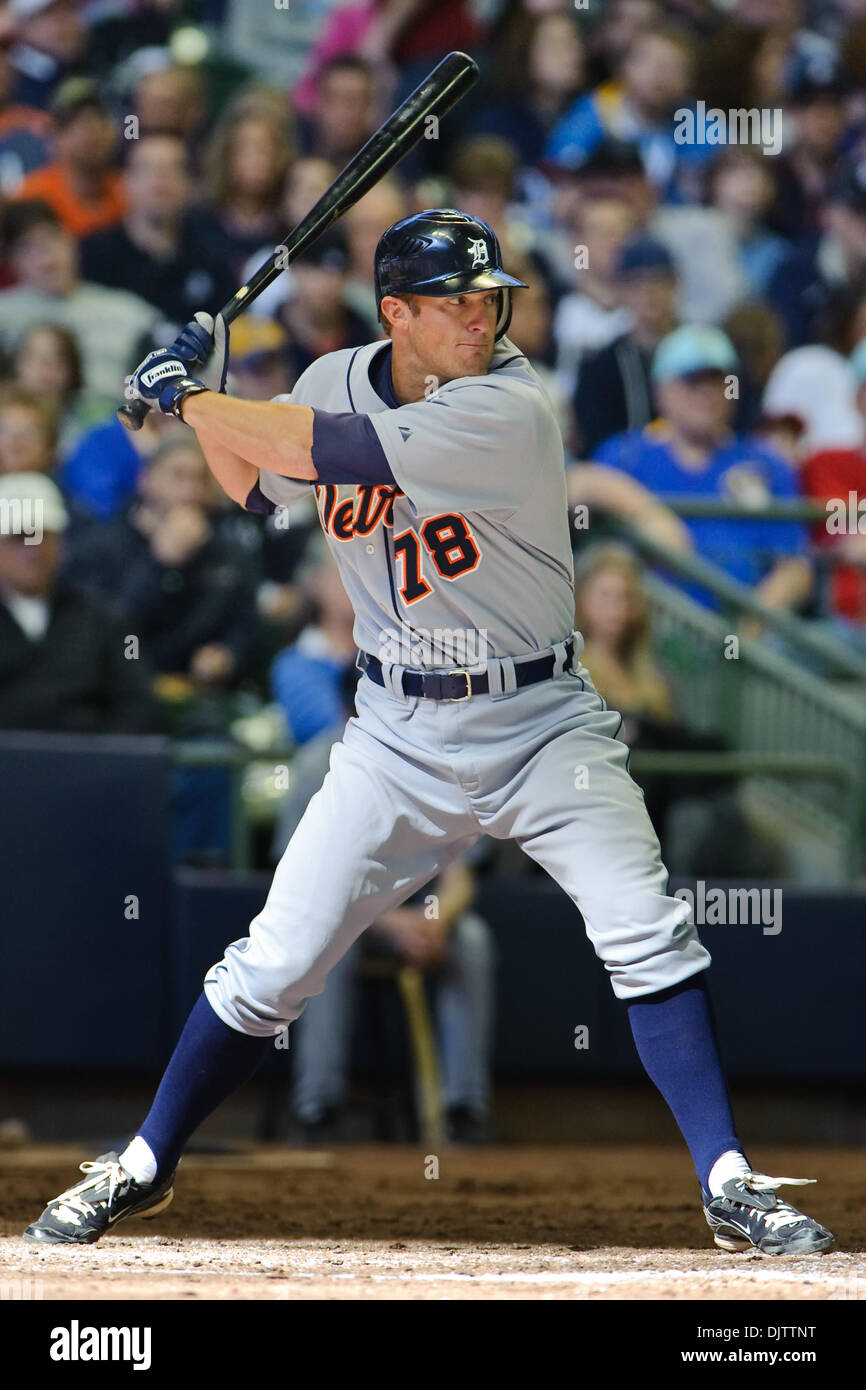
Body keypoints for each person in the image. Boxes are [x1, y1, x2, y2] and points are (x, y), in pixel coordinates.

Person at [25, 208, 833, 1257]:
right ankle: (141, 1162)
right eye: (457, 299)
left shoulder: (507, 405)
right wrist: (204, 399)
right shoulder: (326, 377)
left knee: (643, 927)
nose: (482, 313)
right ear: (395, 311)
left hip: (541, 721)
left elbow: (329, 449)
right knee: (273, 965)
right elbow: (253, 479)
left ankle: (726, 1178)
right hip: (393, 731)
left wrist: (187, 391)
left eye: (490, 295)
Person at [594, 323, 814, 613]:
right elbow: (576, 484)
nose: (706, 394)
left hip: (742, 627)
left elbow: (795, 567)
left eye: (717, 382)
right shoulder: (625, 455)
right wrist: (649, 513)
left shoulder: (766, 464)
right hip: (645, 625)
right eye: (691, 381)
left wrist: (751, 626)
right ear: (661, 390)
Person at [67, 435, 259, 689]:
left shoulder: (226, 552)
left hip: (201, 693)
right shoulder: (101, 547)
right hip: (118, 687)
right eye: (178, 476)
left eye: (199, 479)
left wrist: (228, 654)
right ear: (145, 480)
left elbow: (246, 623)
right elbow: (100, 631)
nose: (190, 491)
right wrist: (158, 565)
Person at [0, 471, 155, 733]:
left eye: (42, 535)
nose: (32, 550)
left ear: (61, 542)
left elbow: (138, 701)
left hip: (90, 765)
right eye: (19, 537)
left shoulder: (106, 619)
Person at [0, 199, 159, 412]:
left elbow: (172, 343)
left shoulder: (124, 309)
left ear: (71, 241)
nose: (45, 253)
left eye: (52, 238)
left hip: (114, 422)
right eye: (28, 246)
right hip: (34, 427)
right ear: (13, 261)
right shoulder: (5, 315)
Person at [80, 132, 236, 328]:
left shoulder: (213, 258)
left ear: (189, 185)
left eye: (173, 169)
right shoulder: (91, 256)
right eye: (147, 169)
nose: (160, 179)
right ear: (122, 183)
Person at [573, 231, 678, 456]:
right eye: (637, 284)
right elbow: (595, 444)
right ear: (622, 290)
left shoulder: (704, 355)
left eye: (658, 282)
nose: (649, 293)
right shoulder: (599, 367)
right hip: (624, 476)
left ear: (675, 285)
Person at [13, 77, 124, 239]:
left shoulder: (128, 191)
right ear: (52, 139)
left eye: (98, 118)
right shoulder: (32, 197)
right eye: (73, 123)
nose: (89, 131)